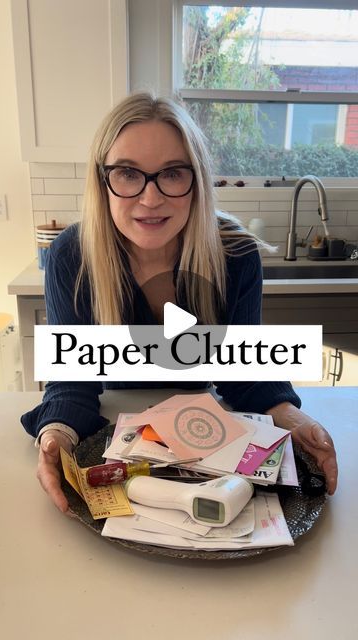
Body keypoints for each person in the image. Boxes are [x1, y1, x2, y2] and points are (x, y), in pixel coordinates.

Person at [21, 92, 338, 513]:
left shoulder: (236, 256)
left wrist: (294, 420)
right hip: (116, 441)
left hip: (204, 442)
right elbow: (72, 383)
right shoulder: (71, 256)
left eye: (171, 174)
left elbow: (244, 374)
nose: (150, 199)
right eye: (128, 174)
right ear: (103, 181)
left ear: (197, 180)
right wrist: (55, 437)